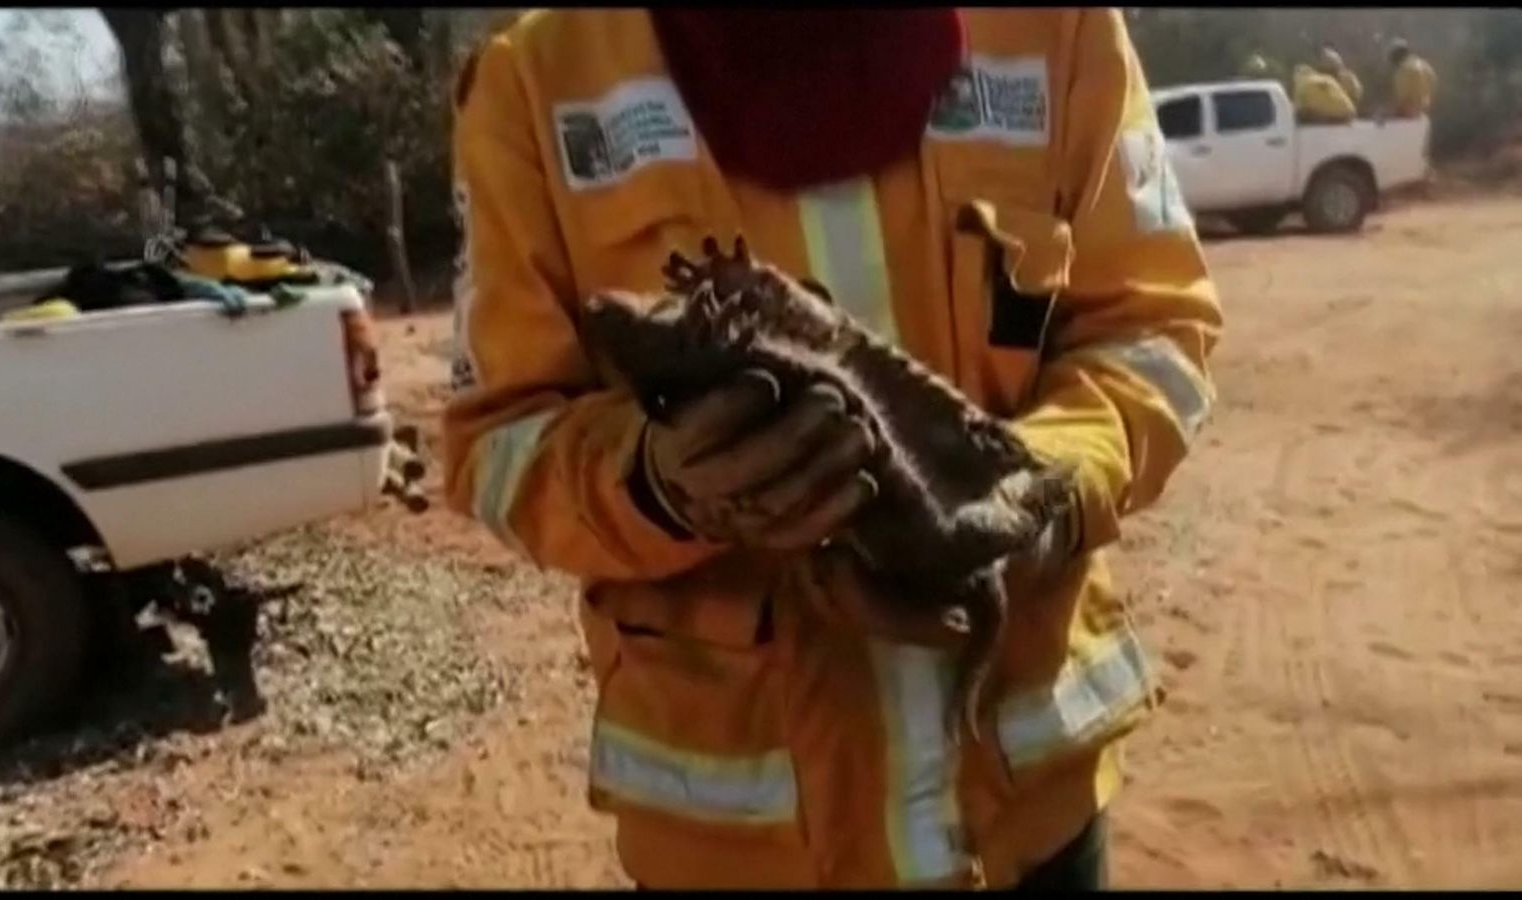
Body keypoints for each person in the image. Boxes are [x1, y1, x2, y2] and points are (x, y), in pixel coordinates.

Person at [444, 8, 1222, 890]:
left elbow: (1154, 328)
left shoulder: (1057, 28)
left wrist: (1034, 498)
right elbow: (497, 435)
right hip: (737, 854)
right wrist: (656, 482)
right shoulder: (539, 80)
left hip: (1030, 824)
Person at [1292, 63, 1358, 124]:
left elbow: (1298, 107)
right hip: (1349, 114)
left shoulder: (1301, 84)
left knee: (1300, 113)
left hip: (1328, 117)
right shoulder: (1328, 78)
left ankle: (1327, 118)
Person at [1388, 38, 1437, 118]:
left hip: (1410, 115)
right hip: (1424, 114)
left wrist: (1394, 113)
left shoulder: (1404, 69)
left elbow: (1403, 98)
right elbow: (1434, 85)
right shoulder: (1426, 66)